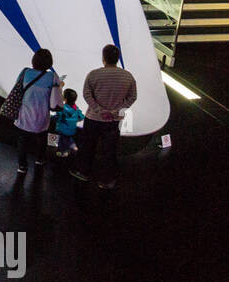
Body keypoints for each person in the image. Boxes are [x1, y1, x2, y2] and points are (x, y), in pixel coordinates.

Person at [72, 44, 137, 188]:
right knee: (110, 151)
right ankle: (108, 180)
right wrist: (117, 110)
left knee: (88, 147)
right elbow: (133, 97)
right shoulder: (128, 76)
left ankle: (83, 173)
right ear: (118, 58)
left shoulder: (93, 74)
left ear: (103, 58)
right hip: (113, 121)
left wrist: (99, 110)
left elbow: (86, 94)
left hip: (93, 119)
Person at [13, 49, 62, 176]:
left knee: (22, 140)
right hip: (42, 116)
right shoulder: (52, 77)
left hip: (24, 113)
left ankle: (22, 165)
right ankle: (40, 159)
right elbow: (56, 102)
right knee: (42, 139)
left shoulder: (25, 72)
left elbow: (17, 88)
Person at [54, 88, 83, 158]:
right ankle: (71, 145)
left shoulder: (62, 108)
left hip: (62, 130)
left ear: (65, 99)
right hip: (72, 130)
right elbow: (81, 117)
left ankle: (61, 154)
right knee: (68, 137)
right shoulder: (76, 109)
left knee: (61, 142)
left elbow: (58, 115)